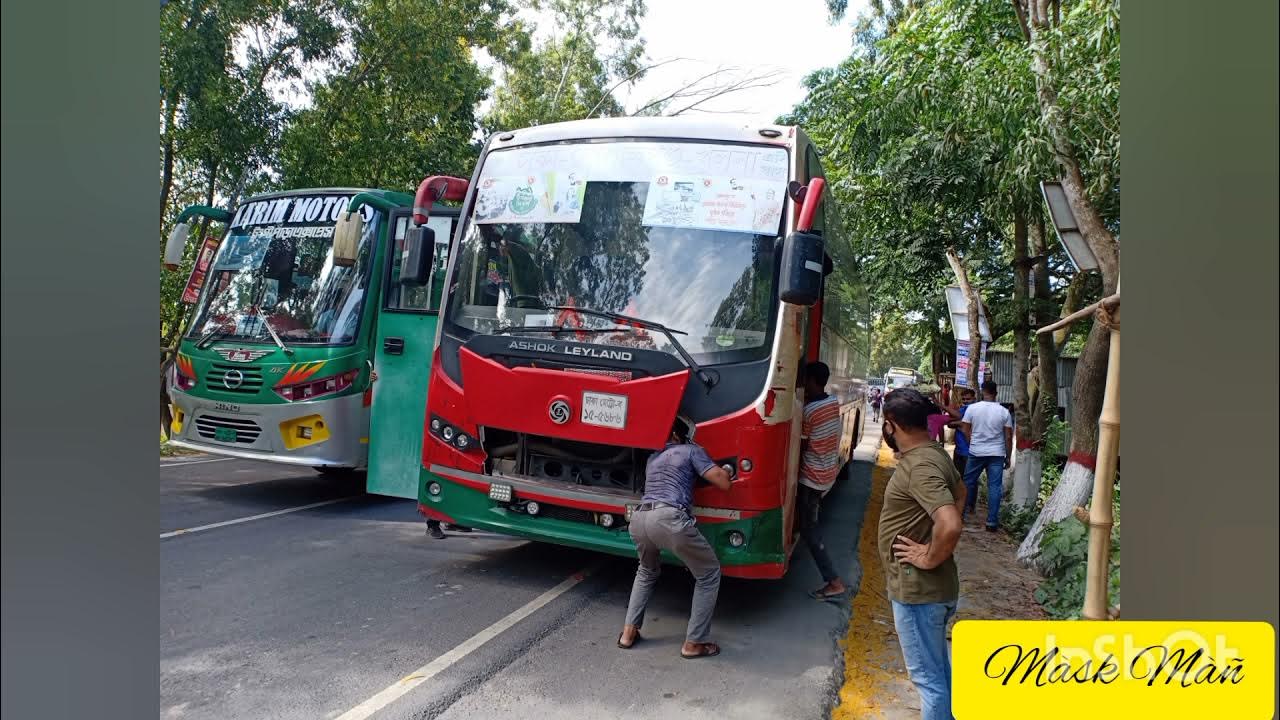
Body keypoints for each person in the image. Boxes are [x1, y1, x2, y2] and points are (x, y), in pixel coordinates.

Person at [878, 388, 965, 720]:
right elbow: (961, 492)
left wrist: (930, 555)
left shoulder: (920, 466)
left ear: (892, 424)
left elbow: (951, 523)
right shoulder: (934, 453)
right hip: (934, 589)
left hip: (919, 592)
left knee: (929, 682)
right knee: (940, 672)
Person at [618, 417, 732, 659]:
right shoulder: (691, 450)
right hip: (668, 518)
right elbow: (722, 483)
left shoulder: (653, 458)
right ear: (679, 436)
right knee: (709, 573)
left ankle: (628, 633)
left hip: (639, 519)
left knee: (646, 571)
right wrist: (726, 470)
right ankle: (694, 643)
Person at [797, 361, 848, 600]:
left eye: (805, 379)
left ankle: (833, 581)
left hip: (812, 477)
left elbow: (803, 444)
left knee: (810, 530)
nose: (803, 384)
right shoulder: (831, 403)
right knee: (808, 525)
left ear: (812, 381)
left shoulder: (809, 411)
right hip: (826, 473)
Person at [959, 380, 1014, 531]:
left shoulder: (972, 409)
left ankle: (960, 516)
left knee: (967, 483)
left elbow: (964, 429)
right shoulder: (1004, 412)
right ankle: (991, 523)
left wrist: (972, 443)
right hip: (996, 454)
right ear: (996, 393)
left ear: (982, 392)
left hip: (976, 452)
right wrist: (1008, 457)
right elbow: (1008, 437)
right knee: (995, 487)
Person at [944, 387, 977, 479]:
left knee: (968, 479)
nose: (966, 401)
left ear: (974, 399)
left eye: (968, 399)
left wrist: (958, 423)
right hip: (959, 449)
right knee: (959, 478)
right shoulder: (962, 409)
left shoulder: (974, 410)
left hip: (969, 451)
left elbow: (959, 422)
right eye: (963, 399)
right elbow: (951, 424)